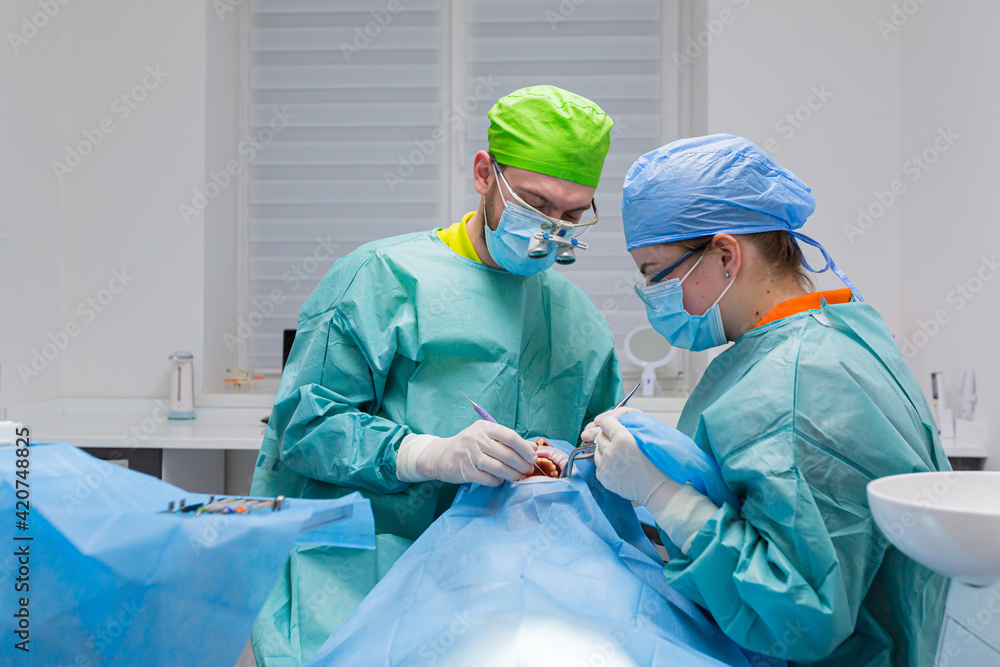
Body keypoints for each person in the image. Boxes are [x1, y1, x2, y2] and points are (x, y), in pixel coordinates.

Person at [249, 85, 623, 666]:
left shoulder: (579, 321)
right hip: (363, 576)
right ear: (483, 174)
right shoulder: (380, 278)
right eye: (534, 205)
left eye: (572, 215)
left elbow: (593, 460)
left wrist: (581, 461)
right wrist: (426, 454)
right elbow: (304, 426)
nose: (552, 229)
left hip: (499, 592)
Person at [584, 134, 950, 666]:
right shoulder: (835, 330)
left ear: (727, 254)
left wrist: (662, 492)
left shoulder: (797, 381)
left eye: (654, 275)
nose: (651, 298)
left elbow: (799, 616)